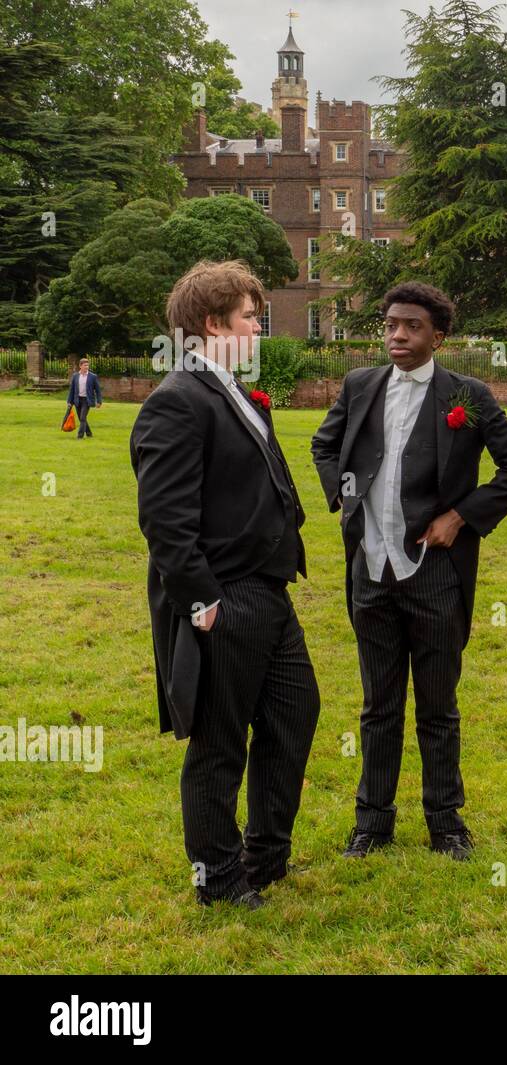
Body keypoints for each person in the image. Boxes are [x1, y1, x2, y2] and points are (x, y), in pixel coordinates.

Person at [310, 282, 507, 862]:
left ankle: (445, 823)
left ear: (438, 337)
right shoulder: (360, 384)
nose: (397, 336)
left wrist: (461, 517)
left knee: (438, 707)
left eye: (411, 327)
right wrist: (347, 498)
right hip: (370, 572)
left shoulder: (468, 395)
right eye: (391, 325)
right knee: (377, 706)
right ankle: (373, 823)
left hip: (435, 575)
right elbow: (324, 443)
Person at [129, 260, 319, 910]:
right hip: (225, 598)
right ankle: (218, 875)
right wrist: (203, 600)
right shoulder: (177, 400)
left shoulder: (233, 388)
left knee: (295, 715)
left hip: (271, 593)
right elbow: (164, 520)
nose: (257, 327)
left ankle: (265, 855)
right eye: (248, 316)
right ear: (212, 323)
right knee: (219, 742)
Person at [66, 358, 102, 438]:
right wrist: (69, 401)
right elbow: (72, 390)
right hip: (77, 400)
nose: (87, 367)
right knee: (82, 419)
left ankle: (80, 436)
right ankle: (89, 433)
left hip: (87, 400)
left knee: (82, 417)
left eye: (87, 365)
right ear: (80, 366)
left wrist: (99, 401)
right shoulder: (75, 376)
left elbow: (98, 390)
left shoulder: (93, 377)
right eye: (85, 365)